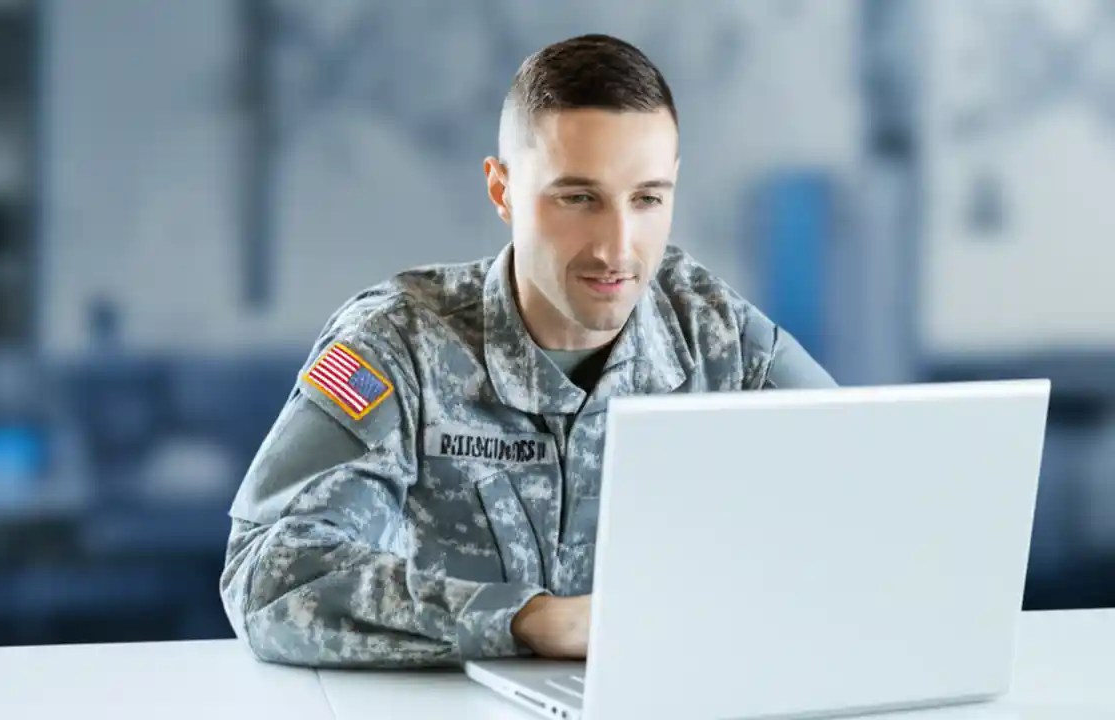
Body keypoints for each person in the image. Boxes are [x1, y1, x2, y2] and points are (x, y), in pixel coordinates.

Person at [220, 33, 836, 669]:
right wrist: (527, 620)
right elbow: (266, 574)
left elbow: (874, 494)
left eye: (647, 198)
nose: (617, 247)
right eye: (578, 198)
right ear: (502, 189)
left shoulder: (717, 335)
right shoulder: (399, 343)